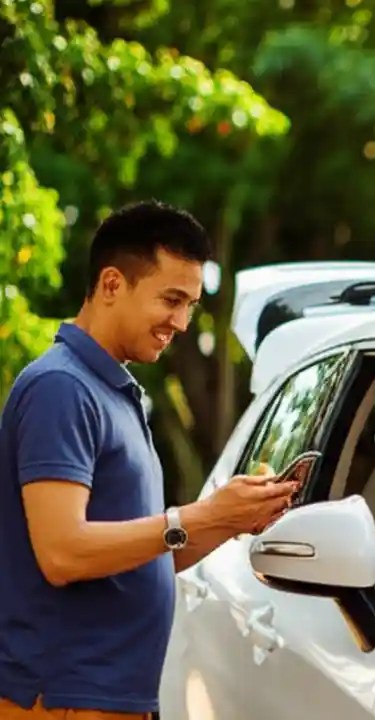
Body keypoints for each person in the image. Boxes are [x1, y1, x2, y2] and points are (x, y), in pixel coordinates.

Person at [0, 200, 299, 719]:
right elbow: (63, 553)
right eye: (172, 299)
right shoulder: (61, 388)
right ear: (113, 284)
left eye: (191, 305)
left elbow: (144, 555)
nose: (182, 322)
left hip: (108, 698)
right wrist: (200, 515)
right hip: (62, 697)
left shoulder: (114, 392)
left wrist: (231, 520)